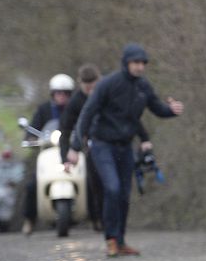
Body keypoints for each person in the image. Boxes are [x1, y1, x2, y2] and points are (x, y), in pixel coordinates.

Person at [65, 43, 184, 257]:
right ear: (126, 63)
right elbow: (87, 113)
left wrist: (171, 111)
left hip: (125, 146)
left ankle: (120, 241)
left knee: (123, 195)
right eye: (135, 63)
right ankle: (110, 239)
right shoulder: (108, 84)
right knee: (111, 188)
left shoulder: (143, 87)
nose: (139, 67)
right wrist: (74, 147)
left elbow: (157, 108)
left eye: (142, 63)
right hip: (102, 145)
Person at [59, 64, 151, 232]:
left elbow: (130, 117)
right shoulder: (75, 102)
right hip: (92, 146)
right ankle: (98, 219)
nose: (90, 90)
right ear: (80, 84)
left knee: (116, 186)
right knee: (94, 183)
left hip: (113, 143)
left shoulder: (111, 93)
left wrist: (144, 137)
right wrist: (66, 156)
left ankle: (115, 224)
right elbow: (65, 131)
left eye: (93, 86)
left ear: (99, 80)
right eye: (86, 87)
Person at [22, 73, 74, 234]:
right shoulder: (43, 109)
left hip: (72, 152)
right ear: (53, 94)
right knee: (32, 185)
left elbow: (83, 126)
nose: (62, 96)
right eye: (58, 93)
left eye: (66, 93)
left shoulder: (75, 109)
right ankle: (29, 219)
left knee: (92, 179)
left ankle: (97, 218)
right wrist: (30, 138)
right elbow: (32, 129)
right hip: (49, 152)